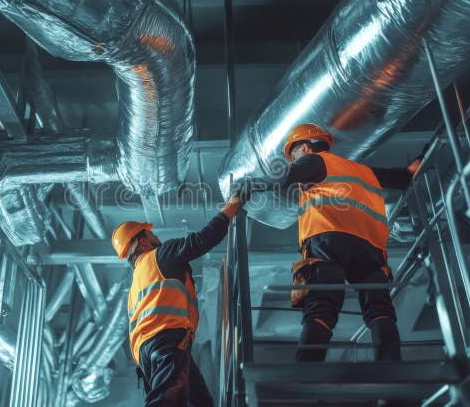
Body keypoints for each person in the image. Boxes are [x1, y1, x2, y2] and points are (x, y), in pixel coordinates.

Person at [262, 123, 420, 363]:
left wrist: (251, 185)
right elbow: (406, 175)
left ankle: (306, 371)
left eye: (294, 155)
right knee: (379, 308)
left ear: (305, 148)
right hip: (370, 248)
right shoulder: (364, 171)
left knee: (322, 305)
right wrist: (426, 153)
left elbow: (283, 178)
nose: (294, 161)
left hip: (328, 239)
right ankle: (390, 368)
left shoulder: (314, 161)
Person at [111, 184, 250, 407]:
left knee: (199, 400)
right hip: (165, 340)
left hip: (148, 352)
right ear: (143, 242)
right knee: (166, 400)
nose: (155, 235)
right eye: (150, 233)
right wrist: (232, 205)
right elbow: (202, 240)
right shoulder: (160, 255)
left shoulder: (137, 282)